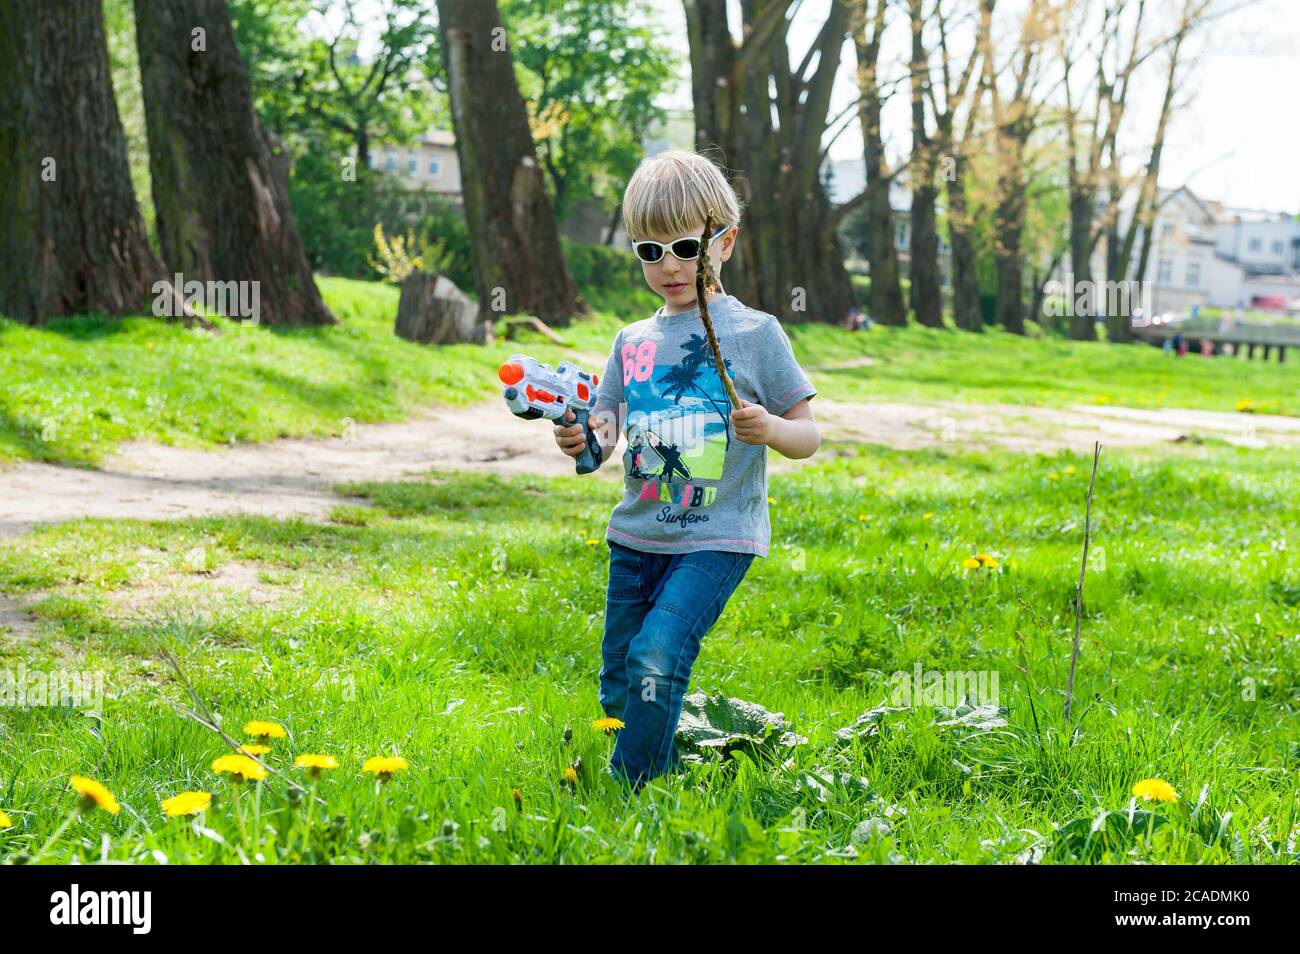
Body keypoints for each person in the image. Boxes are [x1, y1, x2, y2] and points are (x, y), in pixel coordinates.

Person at [552, 149, 821, 787]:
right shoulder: (631, 341)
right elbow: (606, 439)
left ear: (723, 242)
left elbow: (808, 434)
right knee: (621, 682)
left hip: (716, 536)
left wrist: (773, 429)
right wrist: (579, 442)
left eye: (683, 245)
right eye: (650, 250)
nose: (669, 265)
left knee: (657, 653)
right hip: (635, 537)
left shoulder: (757, 334)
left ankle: (631, 790)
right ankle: (665, 759)